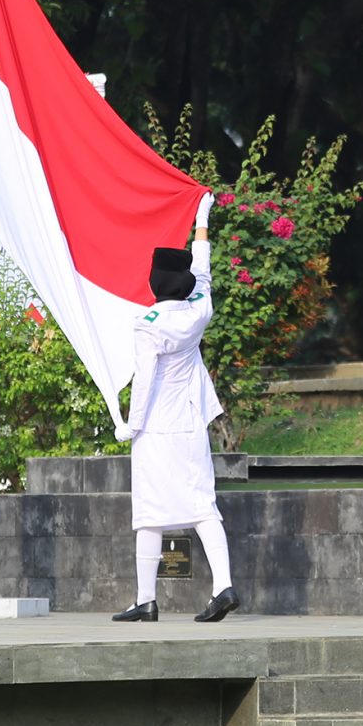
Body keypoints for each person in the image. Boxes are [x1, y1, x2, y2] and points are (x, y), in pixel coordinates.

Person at [112, 193, 241, 624]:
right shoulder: (197, 311)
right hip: (190, 424)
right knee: (203, 505)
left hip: (156, 429)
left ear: (154, 284)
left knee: (149, 510)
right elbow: (201, 273)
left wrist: (132, 425)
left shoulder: (148, 324)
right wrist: (201, 221)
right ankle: (222, 584)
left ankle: (146, 598)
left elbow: (145, 381)